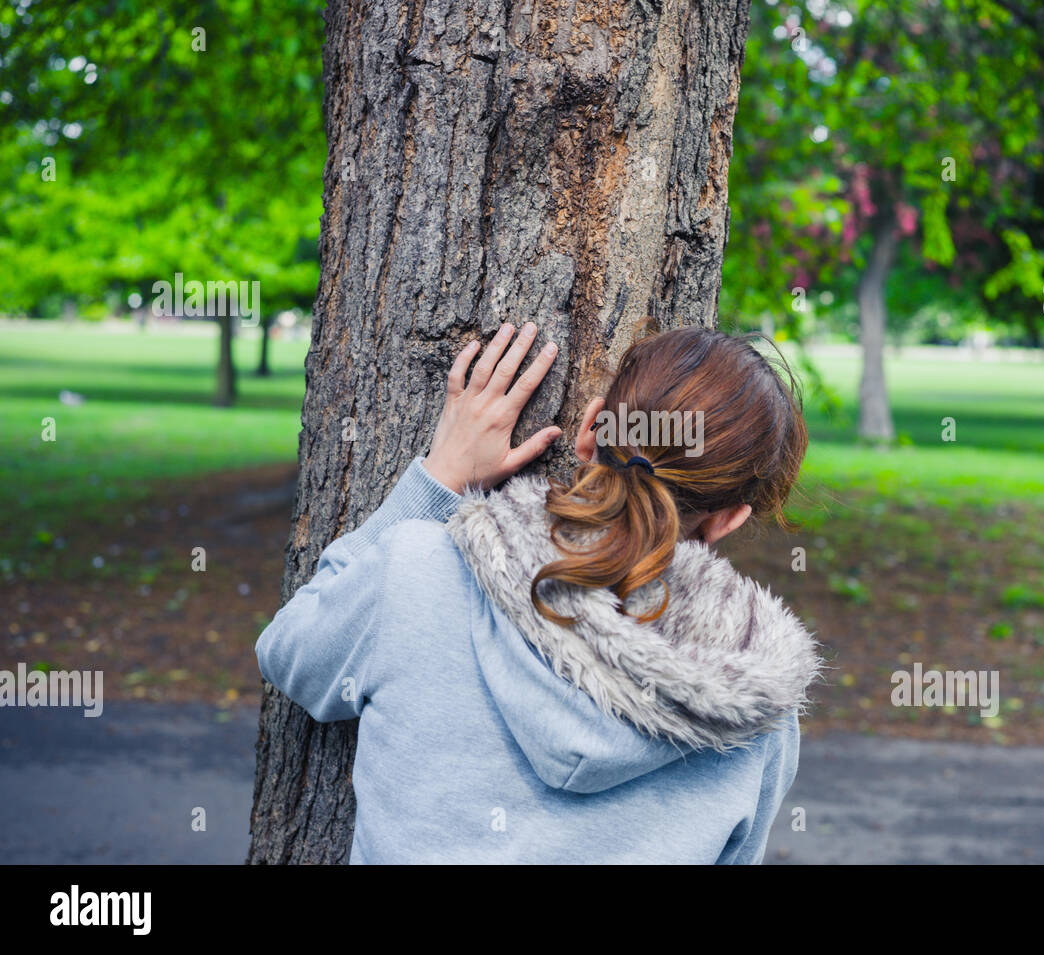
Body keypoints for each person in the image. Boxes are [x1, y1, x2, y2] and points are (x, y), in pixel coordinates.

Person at [255, 323, 823, 864]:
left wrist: (440, 480)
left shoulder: (420, 571)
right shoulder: (756, 708)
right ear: (729, 519)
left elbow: (290, 653)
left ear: (591, 431)